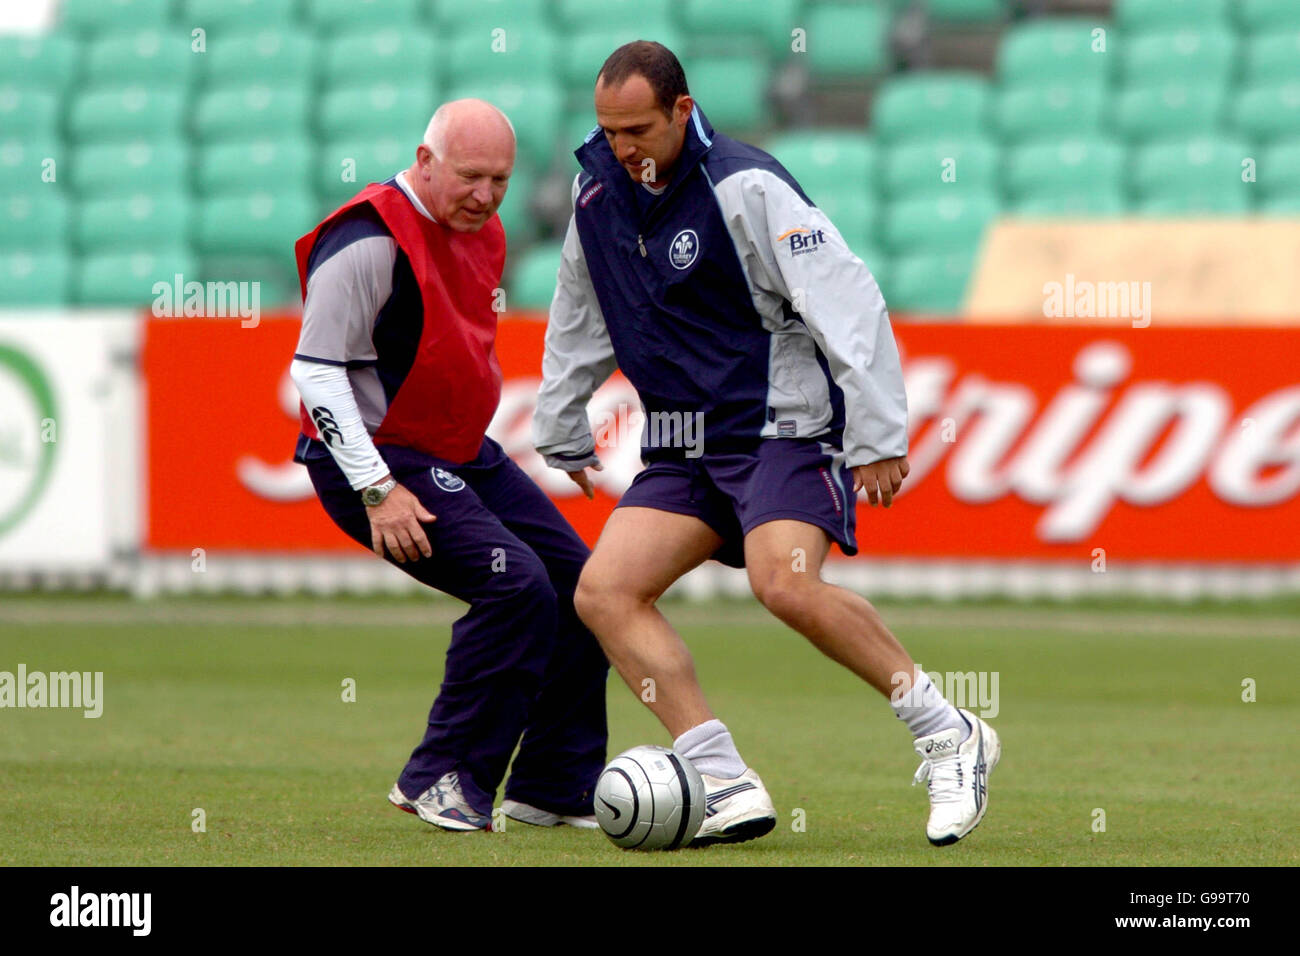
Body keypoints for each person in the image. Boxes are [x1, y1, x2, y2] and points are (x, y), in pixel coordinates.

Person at [534, 43, 1000, 847]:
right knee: (604, 592)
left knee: (782, 582)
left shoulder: (747, 185)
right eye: (608, 132)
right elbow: (583, 308)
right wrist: (562, 419)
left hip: (780, 427)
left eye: (638, 129)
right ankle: (720, 775)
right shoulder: (596, 194)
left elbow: (846, 298)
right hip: (682, 444)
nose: (622, 148)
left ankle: (948, 730)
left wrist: (878, 430)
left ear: (684, 111)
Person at [290, 99, 609, 833]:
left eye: (500, 180)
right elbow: (315, 374)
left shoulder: (485, 231)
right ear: (425, 162)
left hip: (459, 452)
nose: (486, 196)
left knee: (591, 587)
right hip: (375, 459)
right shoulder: (369, 239)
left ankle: (554, 785)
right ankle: (442, 776)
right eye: (470, 177)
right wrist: (378, 490)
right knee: (517, 587)